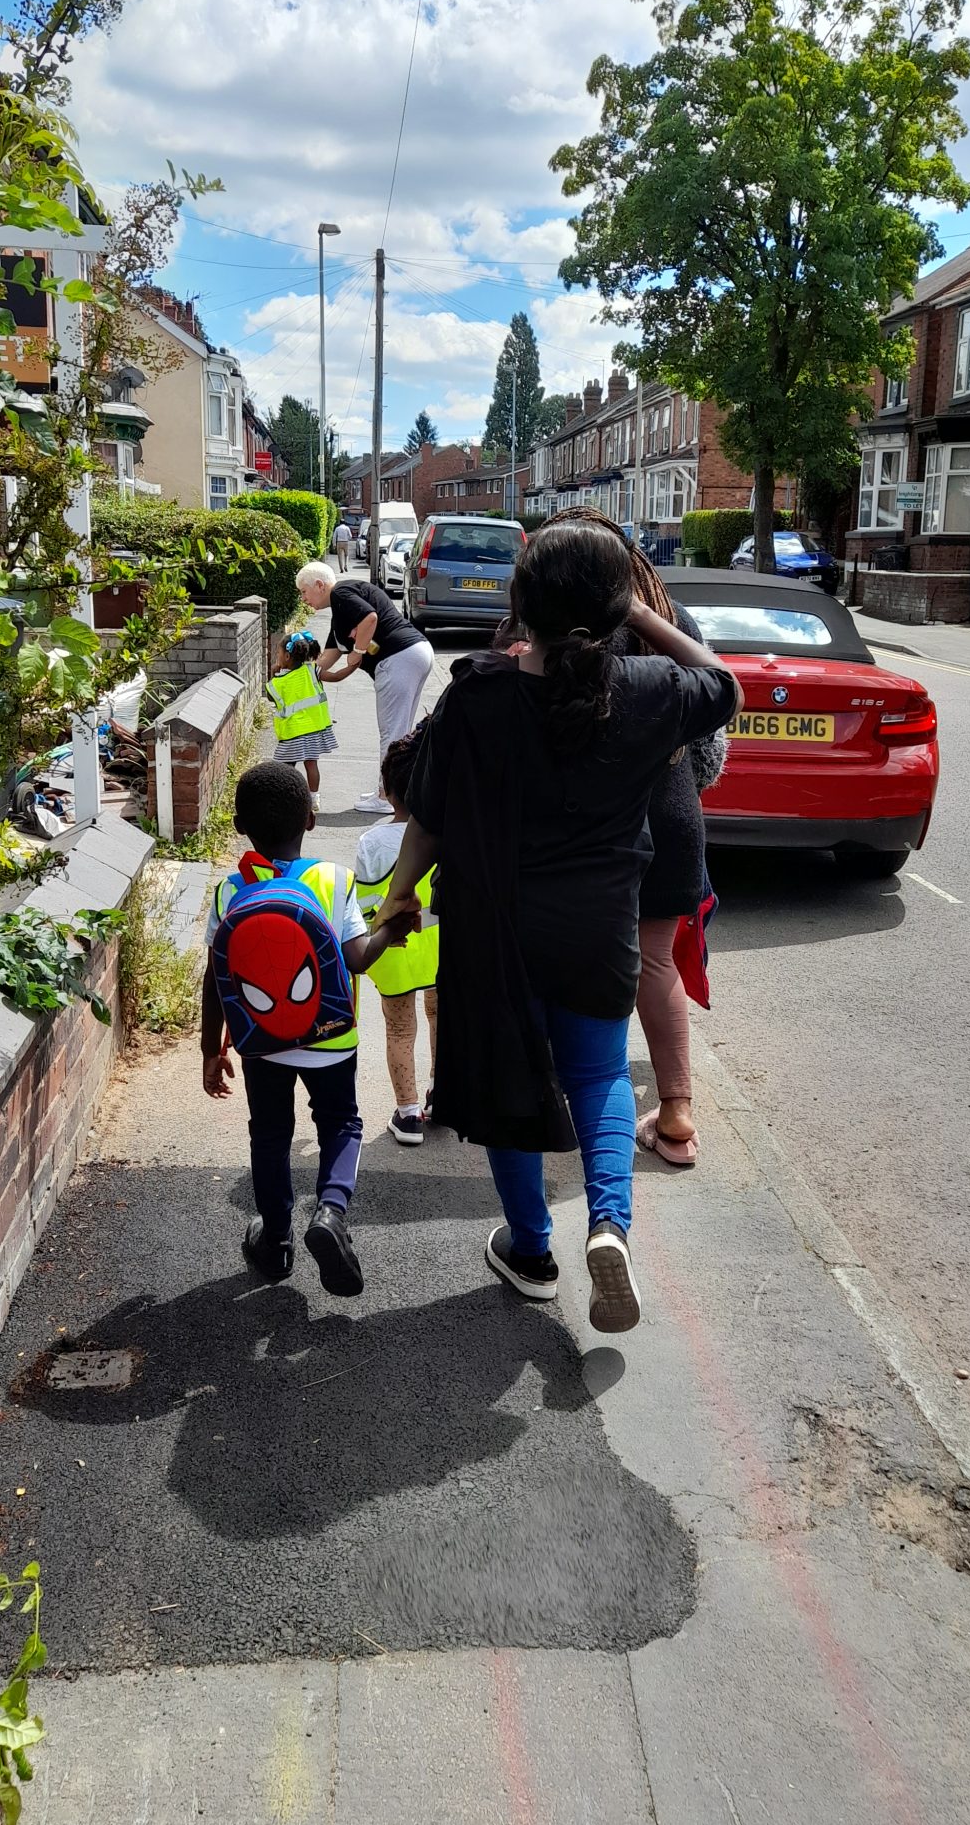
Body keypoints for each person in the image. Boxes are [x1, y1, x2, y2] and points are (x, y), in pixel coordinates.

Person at [377, 523, 740, 1334]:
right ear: (617, 610)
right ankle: (608, 1225)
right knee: (602, 1077)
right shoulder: (649, 691)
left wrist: (398, 900)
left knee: (512, 1082)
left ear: (518, 604)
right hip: (600, 930)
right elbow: (721, 683)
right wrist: (637, 617)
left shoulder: (477, 692)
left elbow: (427, 814)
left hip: (494, 932)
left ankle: (532, 1249)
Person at [548, 508, 721, 1168]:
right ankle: (676, 1115)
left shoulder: (546, 625)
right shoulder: (668, 619)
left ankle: (568, 1099)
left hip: (580, 829)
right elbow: (711, 734)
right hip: (670, 812)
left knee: (565, 960)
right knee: (655, 962)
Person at [201, 763, 405, 1298]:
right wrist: (391, 929)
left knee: (270, 1134)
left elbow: (214, 978)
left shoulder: (228, 892)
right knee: (341, 1123)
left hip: (261, 1045)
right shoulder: (334, 880)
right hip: (331, 1038)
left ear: (241, 824)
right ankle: (331, 1213)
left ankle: (275, 1241)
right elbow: (358, 959)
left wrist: (210, 1050)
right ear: (311, 820)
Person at [354, 726, 438, 1147]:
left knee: (400, 1029)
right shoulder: (446, 832)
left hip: (395, 949)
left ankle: (408, 1114)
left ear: (386, 791)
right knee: (441, 1017)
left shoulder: (371, 841)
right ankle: (442, 1096)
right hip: (440, 950)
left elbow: (367, 899)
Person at [298, 560, 434, 816]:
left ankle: (387, 797)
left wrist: (358, 651)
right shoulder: (340, 613)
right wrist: (302, 674)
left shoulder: (341, 592)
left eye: (304, 592)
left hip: (398, 658)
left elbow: (369, 618)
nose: (303, 598)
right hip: (414, 654)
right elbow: (328, 657)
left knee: (392, 732)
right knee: (400, 730)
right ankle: (392, 791)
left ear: (319, 585)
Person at [265, 628, 337, 808]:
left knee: (285, 768)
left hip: (292, 733)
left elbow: (270, 696)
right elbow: (334, 677)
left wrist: (273, 673)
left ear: (287, 657)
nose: (277, 656)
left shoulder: (278, 681)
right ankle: (314, 798)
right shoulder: (311, 670)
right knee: (311, 764)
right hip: (314, 728)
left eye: (279, 653)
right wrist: (352, 666)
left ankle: (286, 798)